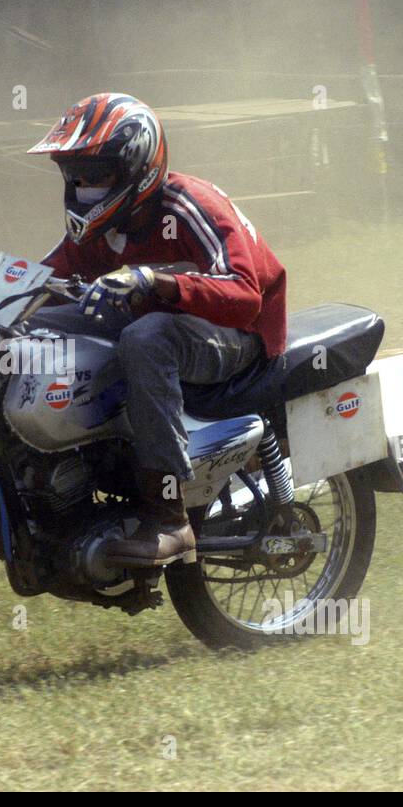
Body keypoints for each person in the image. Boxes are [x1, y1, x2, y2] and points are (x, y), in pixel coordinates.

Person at [27, 92, 288, 568]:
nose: (84, 186)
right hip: (162, 322)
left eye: (97, 173)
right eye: (74, 175)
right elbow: (46, 279)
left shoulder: (188, 205)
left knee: (145, 338)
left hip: (236, 333)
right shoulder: (97, 229)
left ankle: (171, 517)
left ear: (138, 165)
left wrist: (156, 280)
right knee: (30, 325)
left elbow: (245, 293)